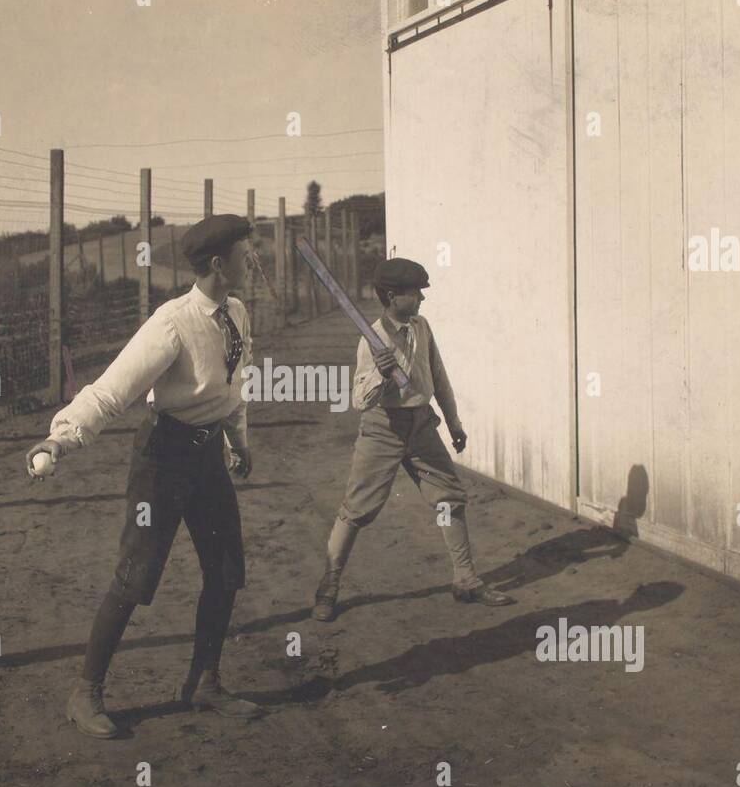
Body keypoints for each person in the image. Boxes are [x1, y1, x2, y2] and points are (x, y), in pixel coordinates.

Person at [26, 214, 263, 738]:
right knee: (136, 577)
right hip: (164, 458)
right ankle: (84, 692)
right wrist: (61, 437)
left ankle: (204, 683)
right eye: (246, 253)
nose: (253, 260)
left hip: (207, 458)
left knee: (226, 572)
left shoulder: (237, 313)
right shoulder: (172, 322)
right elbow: (114, 390)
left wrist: (238, 442)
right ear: (219, 264)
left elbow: (232, 384)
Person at [312, 257, 515, 622]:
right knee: (357, 510)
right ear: (392, 296)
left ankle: (465, 578)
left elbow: (438, 376)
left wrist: (453, 423)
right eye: (414, 292)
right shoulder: (372, 340)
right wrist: (382, 374)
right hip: (382, 427)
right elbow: (359, 400)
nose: (421, 298)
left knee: (449, 498)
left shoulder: (421, 327)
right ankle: (329, 585)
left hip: (422, 425)